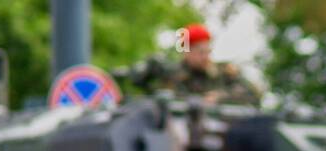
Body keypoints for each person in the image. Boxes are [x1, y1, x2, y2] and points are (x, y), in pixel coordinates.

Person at [112, 22, 263, 106]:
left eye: (207, 51)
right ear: (186, 51)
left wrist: (219, 98)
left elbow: (254, 93)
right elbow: (136, 81)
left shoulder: (224, 72)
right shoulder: (171, 73)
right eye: (200, 52)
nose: (205, 56)